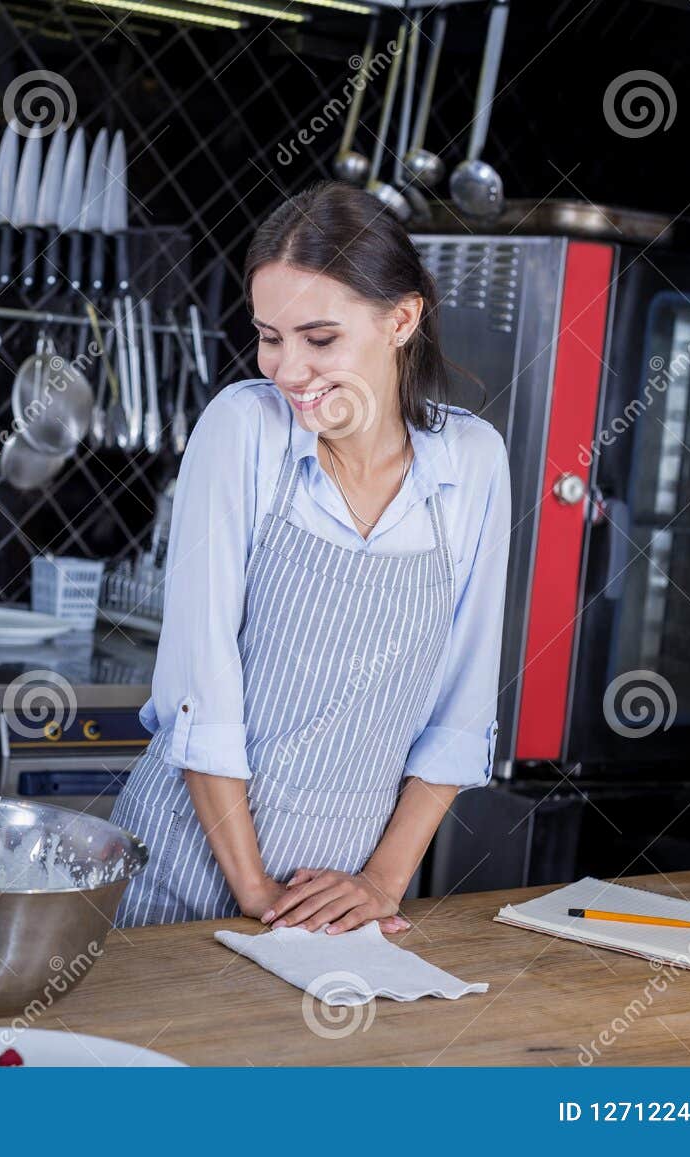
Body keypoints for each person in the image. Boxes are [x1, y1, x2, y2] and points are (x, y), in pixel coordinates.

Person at [110, 181, 510, 934]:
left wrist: (382, 883)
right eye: (270, 335)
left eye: (319, 338)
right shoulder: (242, 431)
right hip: (181, 882)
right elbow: (204, 694)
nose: (287, 369)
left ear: (401, 319)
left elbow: (461, 710)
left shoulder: (473, 464)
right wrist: (258, 893)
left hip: (340, 908)